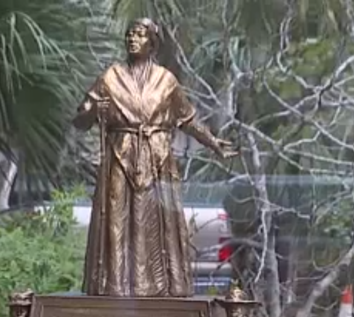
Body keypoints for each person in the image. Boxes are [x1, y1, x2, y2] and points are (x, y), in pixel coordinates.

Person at [74, 17, 237, 298]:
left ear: (152, 42)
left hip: (157, 156)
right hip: (120, 156)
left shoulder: (166, 80)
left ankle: (162, 287)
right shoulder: (110, 77)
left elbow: (188, 119)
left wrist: (213, 143)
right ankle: (115, 286)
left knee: (157, 220)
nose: (132, 39)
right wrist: (93, 111)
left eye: (139, 34)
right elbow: (80, 120)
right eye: (129, 34)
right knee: (117, 220)